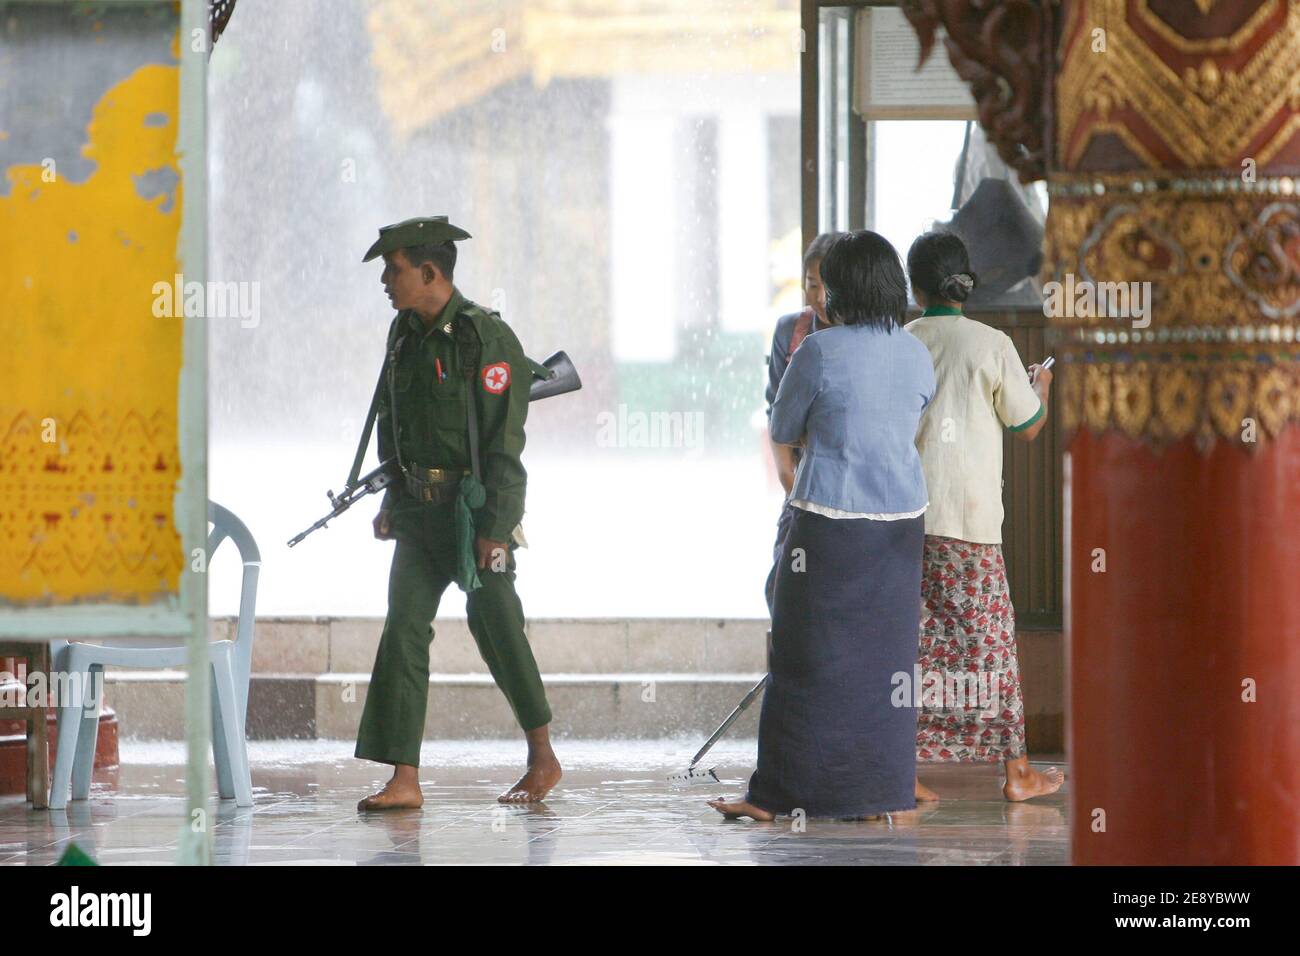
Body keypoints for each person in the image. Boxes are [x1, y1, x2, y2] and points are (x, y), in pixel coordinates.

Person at [711, 231, 936, 821]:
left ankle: (774, 797)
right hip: (901, 526)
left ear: (840, 290)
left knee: (802, 655)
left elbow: (784, 426)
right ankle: (877, 796)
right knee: (886, 666)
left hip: (829, 523)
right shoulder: (916, 352)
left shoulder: (819, 351)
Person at [353, 216, 561, 810]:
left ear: (429, 272)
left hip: (472, 513)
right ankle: (404, 778)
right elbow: (392, 424)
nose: (386, 282)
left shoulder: (484, 339)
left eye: (393, 270)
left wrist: (496, 530)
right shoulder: (403, 334)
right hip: (418, 514)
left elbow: (503, 447)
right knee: (403, 630)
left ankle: (543, 758)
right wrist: (391, 499)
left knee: (496, 625)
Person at [904, 230, 1062, 802]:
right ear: (966, 282)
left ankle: (902, 771)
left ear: (914, 285)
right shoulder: (992, 343)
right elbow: (1028, 426)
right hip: (971, 526)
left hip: (908, 523)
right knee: (990, 645)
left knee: (910, 647)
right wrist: (1038, 385)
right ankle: (1017, 773)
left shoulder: (903, 342)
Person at [763, 232, 844, 615]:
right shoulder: (791, 333)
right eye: (813, 284)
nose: (821, 297)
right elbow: (776, 412)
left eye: (830, 285)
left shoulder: (868, 337)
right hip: (803, 481)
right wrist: (791, 484)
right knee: (783, 586)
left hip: (851, 490)